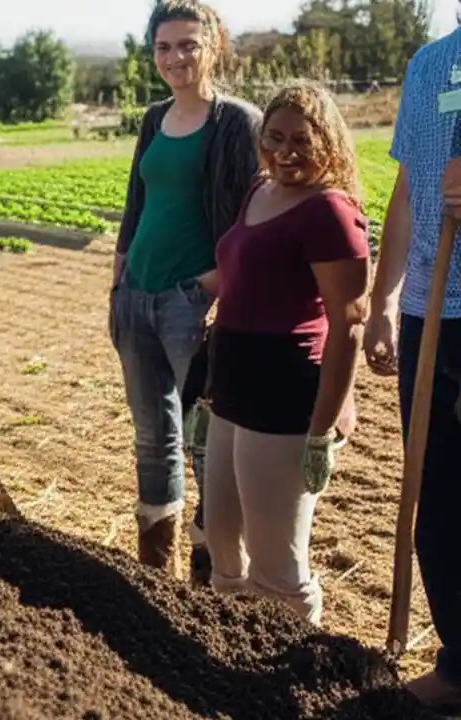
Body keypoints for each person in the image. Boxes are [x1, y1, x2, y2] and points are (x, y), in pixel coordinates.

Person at [202, 82, 367, 627]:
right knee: (221, 543)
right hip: (232, 391)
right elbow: (241, 276)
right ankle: (224, 655)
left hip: (284, 400)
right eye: (274, 138)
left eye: (303, 139)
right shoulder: (259, 190)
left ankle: (292, 677)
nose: (286, 152)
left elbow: (347, 325)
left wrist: (321, 431)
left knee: (277, 569)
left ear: (329, 143)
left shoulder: (330, 212)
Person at [109, 0, 261, 579]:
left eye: (188, 45)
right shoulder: (154, 119)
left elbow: (252, 215)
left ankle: (212, 560)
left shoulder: (235, 122)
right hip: (137, 297)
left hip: (186, 300)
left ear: (213, 45)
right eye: (164, 47)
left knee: (205, 438)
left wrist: (212, 285)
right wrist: (119, 275)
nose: (176, 58)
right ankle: (157, 566)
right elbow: (137, 202)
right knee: (153, 435)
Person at [365, 24, 461, 711]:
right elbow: (405, 187)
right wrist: (383, 300)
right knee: (440, 498)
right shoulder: (429, 65)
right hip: (429, 310)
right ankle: (459, 664)